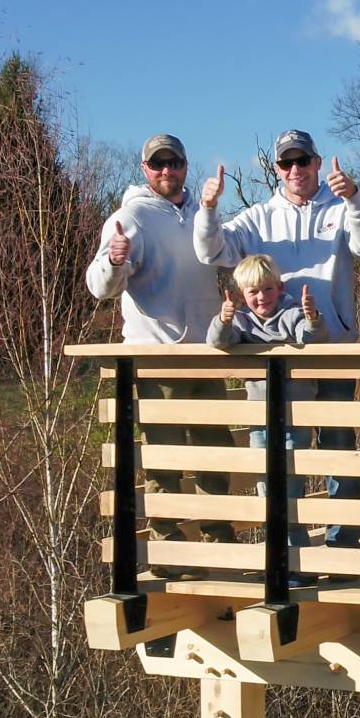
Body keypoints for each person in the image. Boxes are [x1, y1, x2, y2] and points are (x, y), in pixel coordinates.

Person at [194, 129, 360, 548]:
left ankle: (343, 543)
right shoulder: (259, 217)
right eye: (286, 163)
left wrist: (354, 196)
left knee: (338, 451)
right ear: (277, 170)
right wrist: (208, 208)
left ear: (318, 163)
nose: (295, 169)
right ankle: (292, 547)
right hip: (278, 363)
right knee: (285, 458)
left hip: (331, 350)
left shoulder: (342, 206)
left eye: (303, 160)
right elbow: (212, 252)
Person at [85, 133, 234, 578]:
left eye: (174, 162)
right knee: (165, 458)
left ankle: (218, 542)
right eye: (157, 164)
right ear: (144, 169)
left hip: (208, 352)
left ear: (186, 165)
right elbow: (99, 287)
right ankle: (168, 547)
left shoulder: (202, 213)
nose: (166, 171)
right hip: (157, 358)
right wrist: (114, 260)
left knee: (215, 451)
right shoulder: (130, 218)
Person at [208, 253, 327, 586]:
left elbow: (312, 337)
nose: (261, 298)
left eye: (267, 290)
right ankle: (276, 560)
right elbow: (218, 341)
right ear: (243, 295)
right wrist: (225, 319)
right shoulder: (244, 322)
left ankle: (298, 565)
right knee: (265, 492)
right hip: (260, 420)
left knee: (286, 490)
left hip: (293, 416)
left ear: (280, 288)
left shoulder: (291, 315)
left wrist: (313, 318)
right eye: (253, 293)